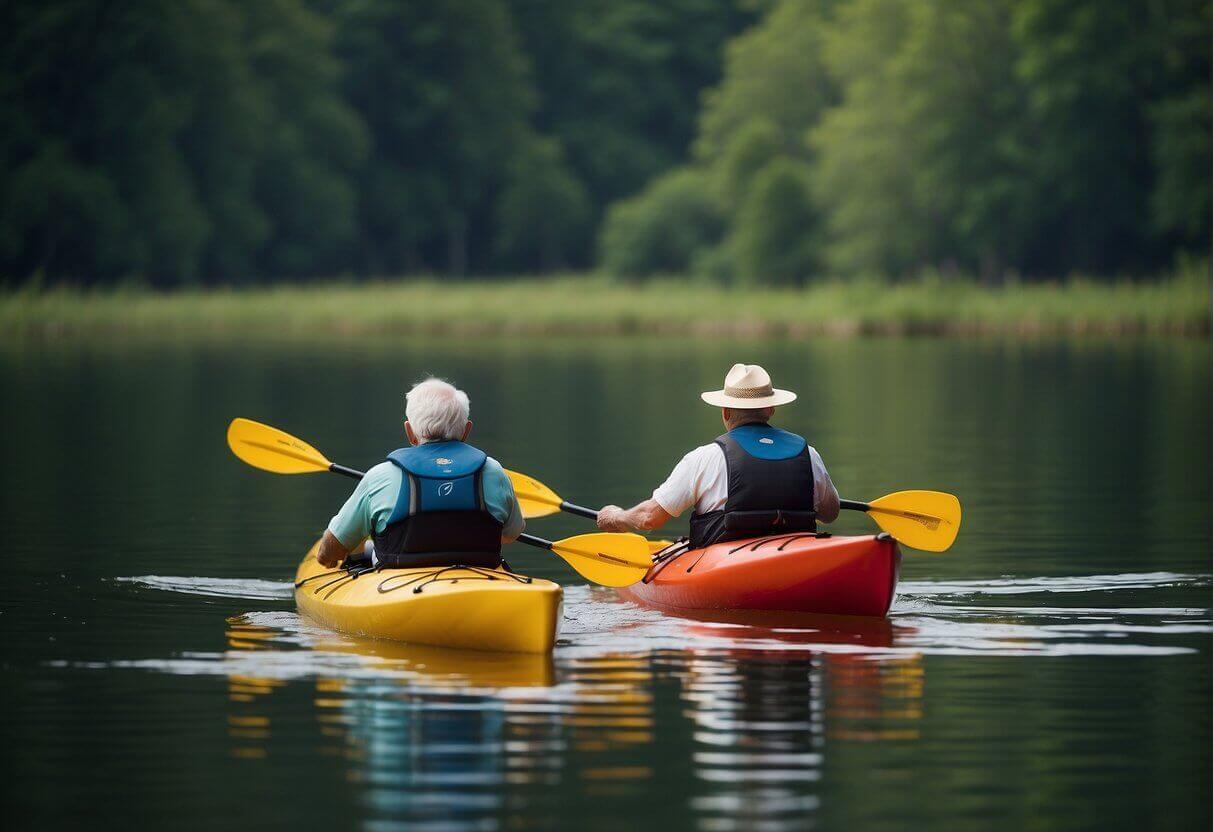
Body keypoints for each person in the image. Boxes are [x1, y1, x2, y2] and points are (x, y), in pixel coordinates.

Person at [596, 363, 839, 548]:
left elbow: (650, 518)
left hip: (726, 562)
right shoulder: (808, 454)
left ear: (724, 411)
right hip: (797, 556)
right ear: (771, 409)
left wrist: (617, 516)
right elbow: (830, 514)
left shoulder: (704, 458)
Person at [314, 377, 525, 568]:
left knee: (361, 547)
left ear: (410, 432)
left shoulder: (379, 476)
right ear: (466, 431)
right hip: (480, 579)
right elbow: (510, 534)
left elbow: (328, 553)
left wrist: (336, 553)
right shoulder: (494, 471)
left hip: (398, 586)